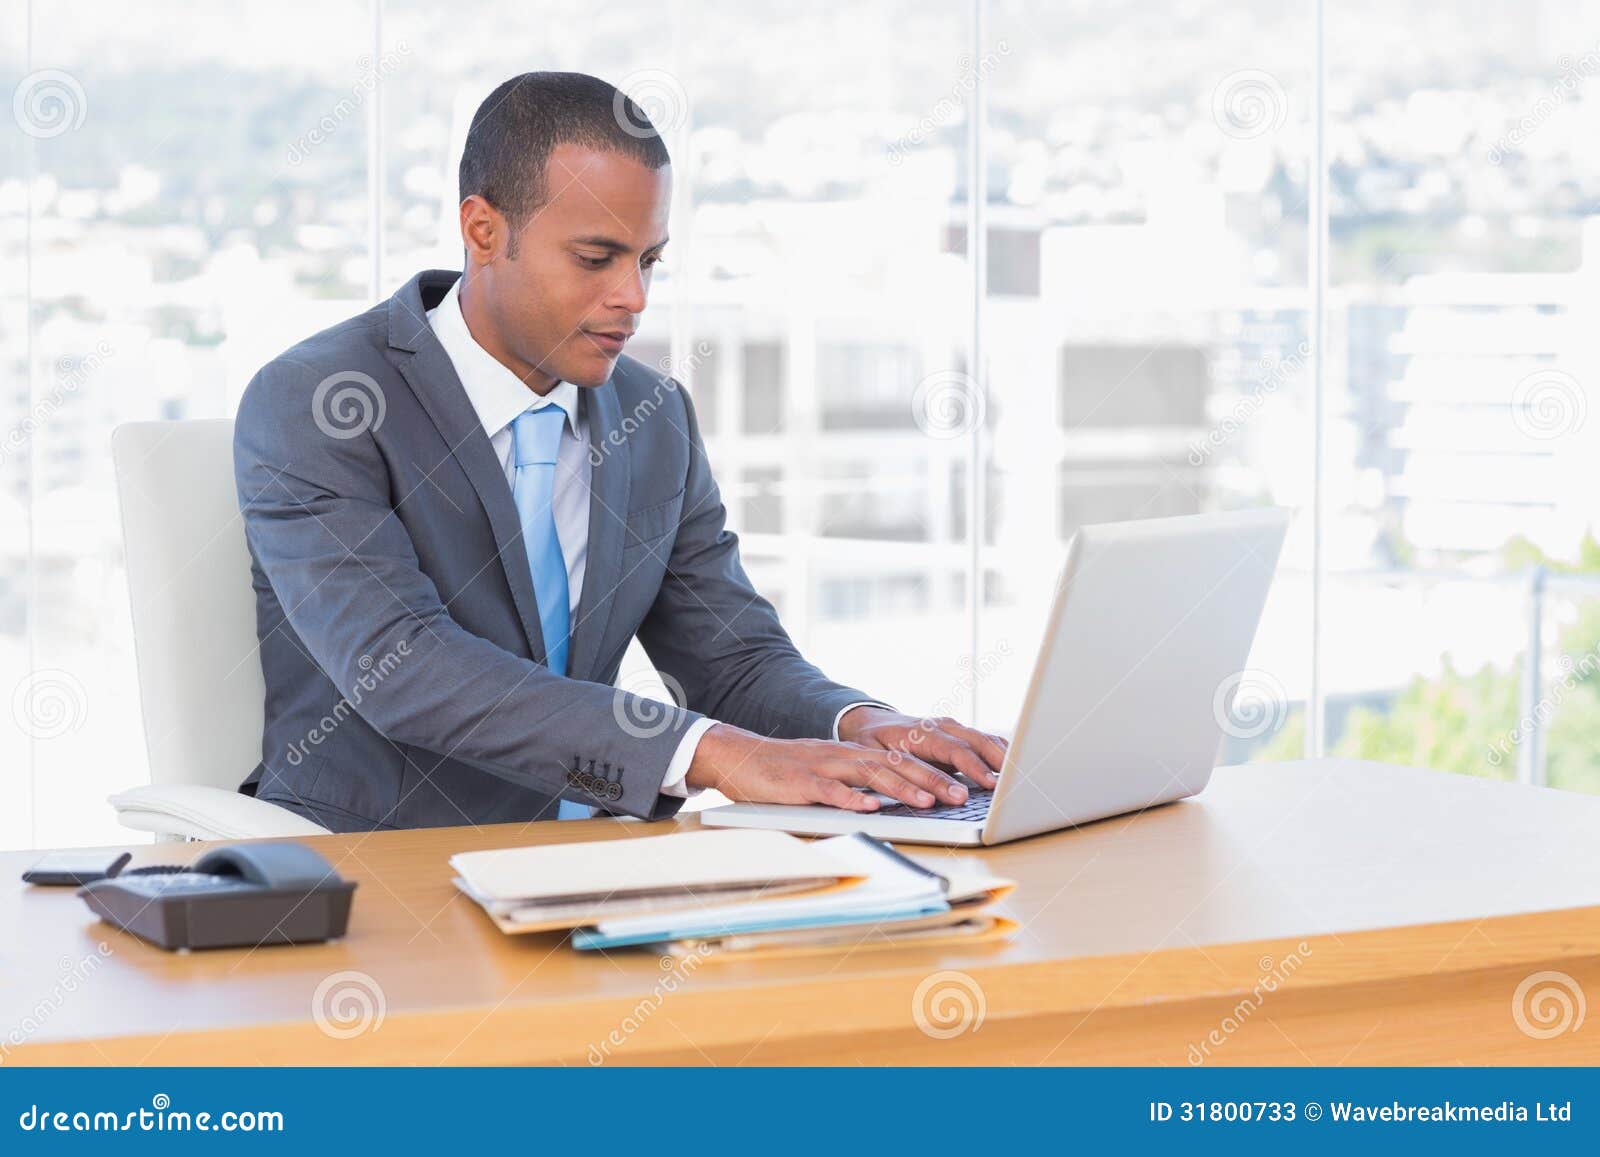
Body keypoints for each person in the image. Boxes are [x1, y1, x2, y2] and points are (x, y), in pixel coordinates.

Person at [233, 71, 1006, 832]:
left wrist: (862, 725)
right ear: (483, 230)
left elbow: (731, 660)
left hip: (597, 863)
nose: (633, 297)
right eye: (596, 257)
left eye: (648, 261)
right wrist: (713, 753)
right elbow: (404, 666)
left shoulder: (654, 415)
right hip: (379, 871)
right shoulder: (318, 402)